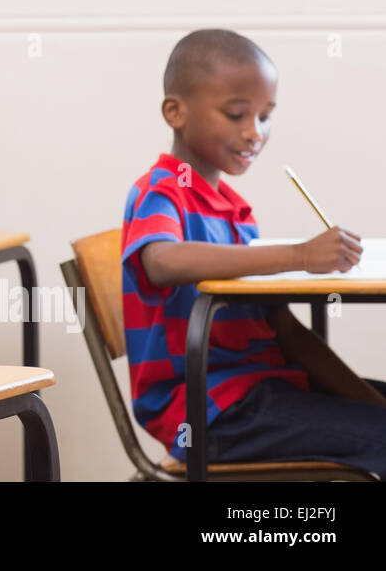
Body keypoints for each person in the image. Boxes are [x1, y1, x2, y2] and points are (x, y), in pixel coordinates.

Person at [121, 28, 386, 475]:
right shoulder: (160, 191)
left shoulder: (235, 212)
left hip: (262, 391)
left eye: (265, 116)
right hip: (207, 409)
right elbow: (162, 261)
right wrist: (299, 255)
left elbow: (286, 330)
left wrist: (368, 401)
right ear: (175, 111)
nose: (254, 133)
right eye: (236, 114)